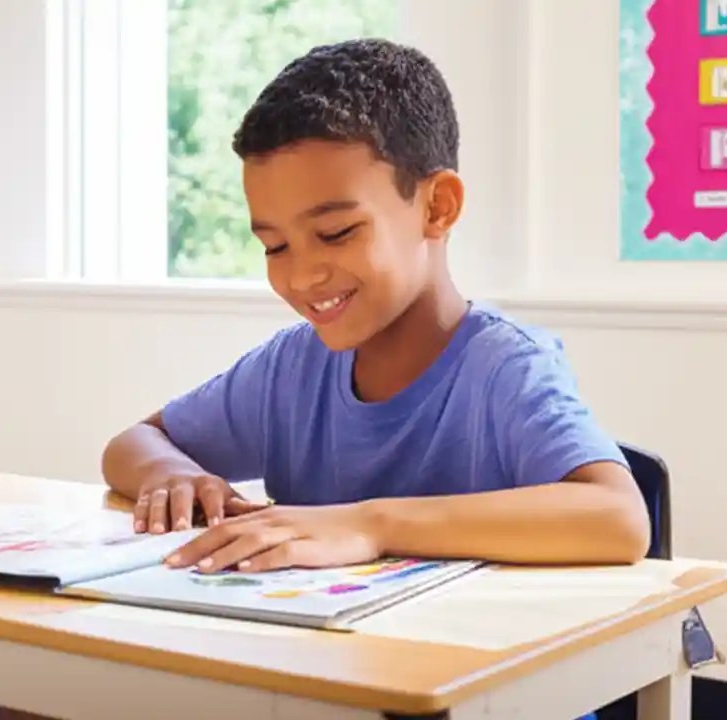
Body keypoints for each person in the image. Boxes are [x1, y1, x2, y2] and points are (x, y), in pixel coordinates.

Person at [101, 38, 651, 575]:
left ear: (438, 206)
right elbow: (134, 443)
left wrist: (368, 525)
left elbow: (620, 519)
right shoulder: (293, 369)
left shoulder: (504, 367)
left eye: (336, 232)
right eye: (275, 246)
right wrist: (170, 474)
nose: (301, 274)